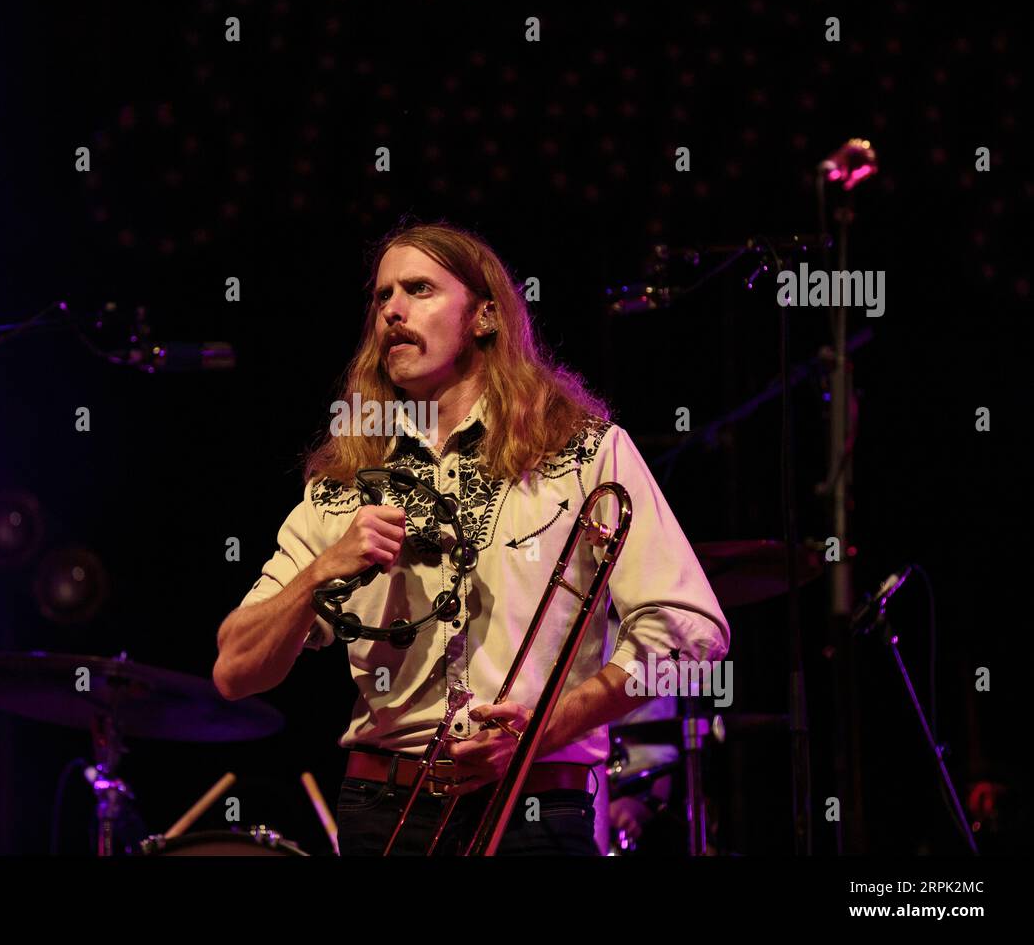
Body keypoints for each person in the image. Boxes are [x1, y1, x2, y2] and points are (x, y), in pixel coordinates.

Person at [213, 220, 729, 855]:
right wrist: (321, 571)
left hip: (540, 806)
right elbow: (235, 671)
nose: (393, 311)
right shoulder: (345, 482)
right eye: (382, 297)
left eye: (419, 290)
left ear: (485, 316)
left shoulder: (583, 452)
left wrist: (540, 729)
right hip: (382, 809)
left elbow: (689, 632)